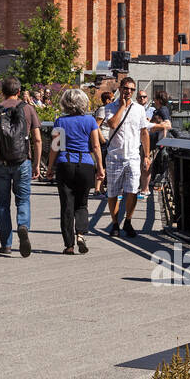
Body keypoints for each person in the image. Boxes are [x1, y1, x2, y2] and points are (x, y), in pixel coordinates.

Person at [0, 77, 42, 256]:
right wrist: (36, 163)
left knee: (3, 205)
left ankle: (6, 245)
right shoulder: (29, 109)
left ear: (2, 92)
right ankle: (23, 226)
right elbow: (37, 139)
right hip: (23, 161)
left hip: (1, 162)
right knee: (23, 199)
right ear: (19, 92)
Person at [45, 88, 104, 255]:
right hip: (85, 163)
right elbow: (96, 146)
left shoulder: (60, 122)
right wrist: (99, 167)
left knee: (66, 205)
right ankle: (81, 234)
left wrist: (50, 168)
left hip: (65, 163)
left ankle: (69, 244)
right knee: (82, 203)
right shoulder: (90, 121)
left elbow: (55, 148)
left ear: (66, 103)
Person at [102, 77, 151, 237]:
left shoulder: (139, 109)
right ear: (120, 89)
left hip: (133, 157)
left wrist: (147, 155)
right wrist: (122, 107)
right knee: (113, 193)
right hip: (115, 156)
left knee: (132, 191)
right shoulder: (110, 107)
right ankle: (115, 224)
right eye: (126, 88)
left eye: (132, 89)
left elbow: (144, 132)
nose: (128, 91)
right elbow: (112, 124)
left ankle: (128, 221)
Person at [93, 90, 115, 197]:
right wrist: (102, 139)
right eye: (112, 99)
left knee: (104, 165)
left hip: (108, 139)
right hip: (104, 139)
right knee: (101, 165)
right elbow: (96, 125)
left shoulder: (108, 109)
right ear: (107, 100)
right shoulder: (103, 109)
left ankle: (101, 189)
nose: (114, 101)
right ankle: (97, 189)